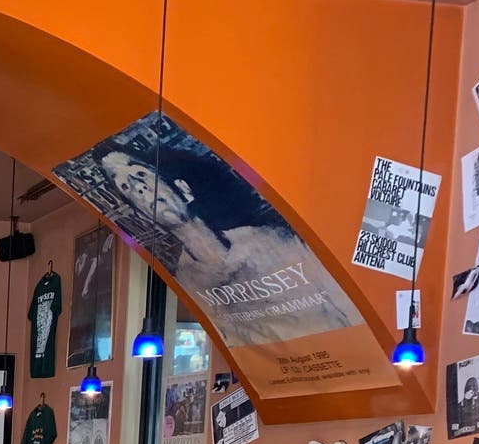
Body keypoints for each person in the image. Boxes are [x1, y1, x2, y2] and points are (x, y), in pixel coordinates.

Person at [92, 142, 358, 345]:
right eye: (125, 187)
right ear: (140, 214)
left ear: (183, 188)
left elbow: (346, 305)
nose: (138, 187)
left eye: (140, 174)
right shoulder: (188, 280)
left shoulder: (269, 239)